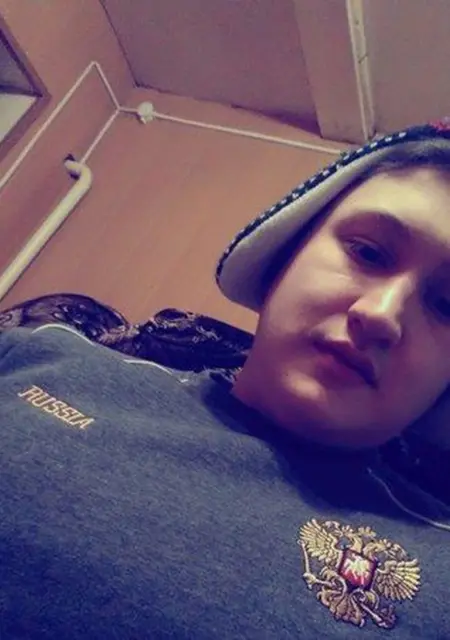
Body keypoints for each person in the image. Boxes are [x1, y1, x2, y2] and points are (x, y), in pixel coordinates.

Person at [1, 120, 450, 639]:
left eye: (447, 305)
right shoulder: (44, 357)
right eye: (367, 252)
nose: (380, 315)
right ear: (285, 253)